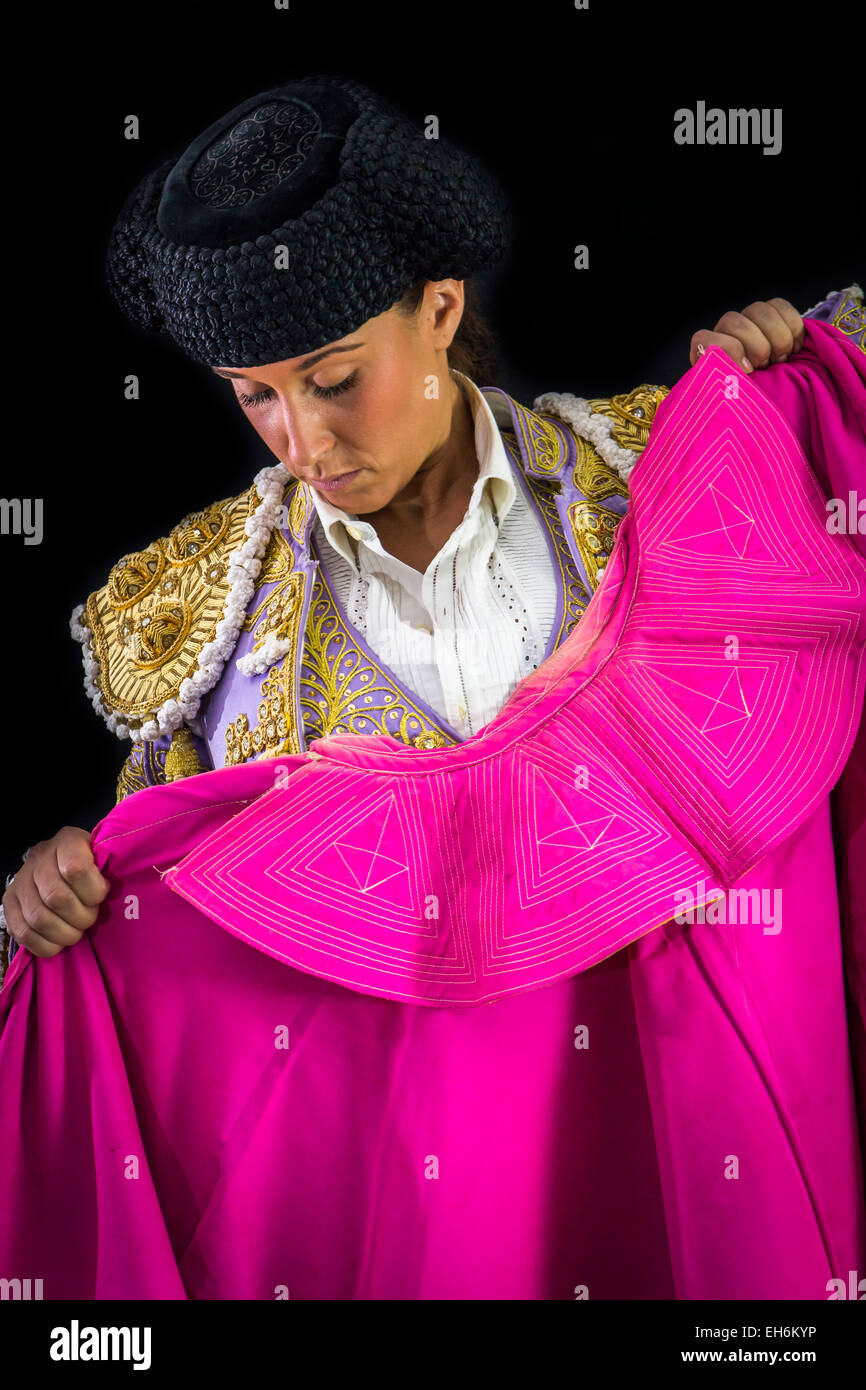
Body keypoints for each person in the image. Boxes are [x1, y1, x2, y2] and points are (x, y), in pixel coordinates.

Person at [0, 73, 864, 1300]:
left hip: (664, 1149)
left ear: (443, 307)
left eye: (333, 376)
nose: (301, 442)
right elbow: (160, 986)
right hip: (398, 1231)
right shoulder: (191, 623)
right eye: (256, 395)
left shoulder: (663, 488)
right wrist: (56, 898)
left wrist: (804, 386)